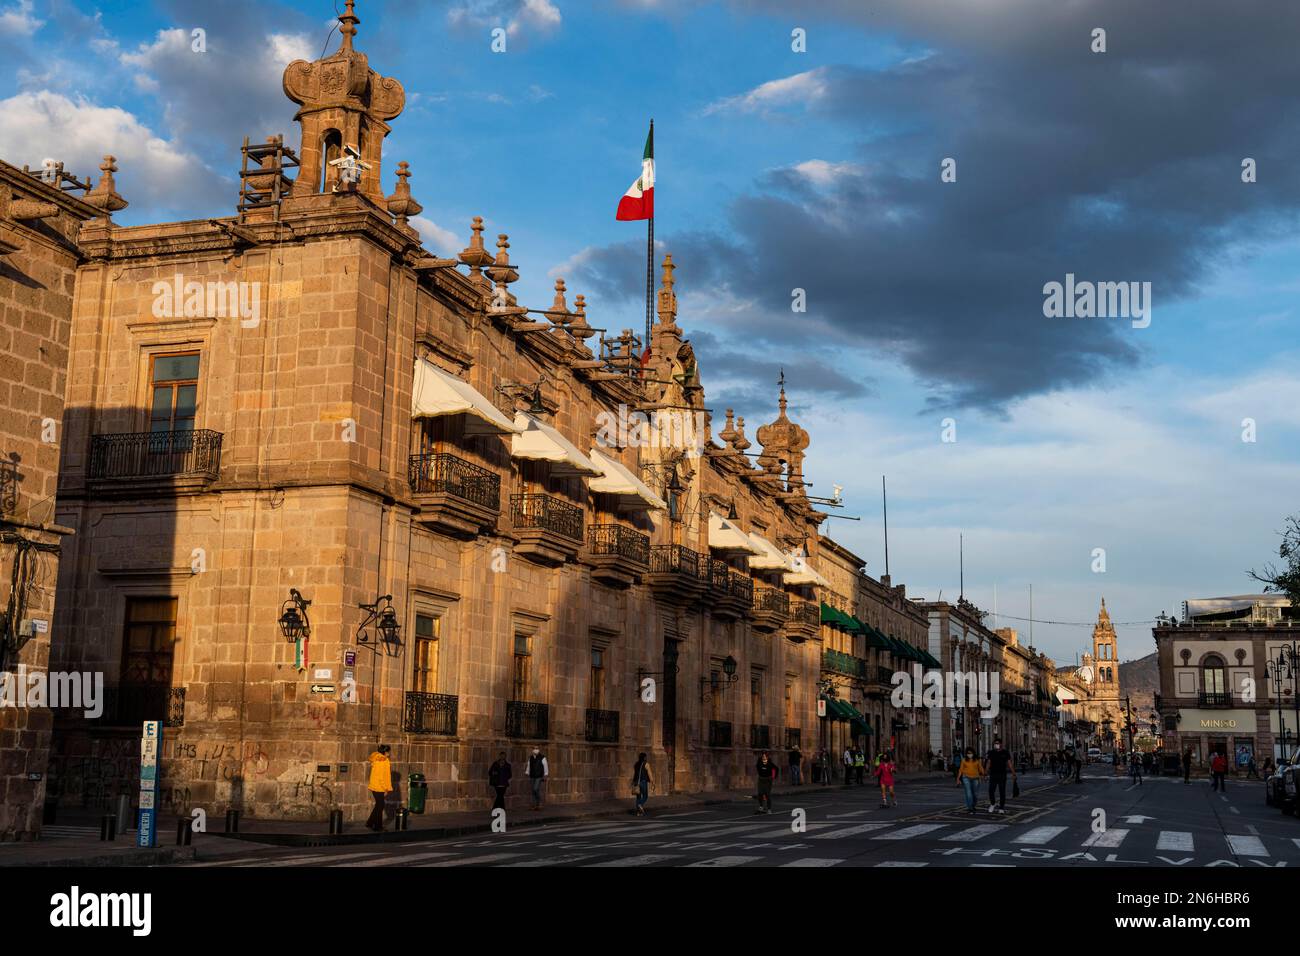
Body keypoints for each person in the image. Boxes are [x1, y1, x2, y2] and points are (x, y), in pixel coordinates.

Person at [983, 737, 1015, 813]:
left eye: (997, 743)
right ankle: (993, 803)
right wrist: (985, 773)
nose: (996, 745)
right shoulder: (991, 752)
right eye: (995, 744)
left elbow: (1009, 764)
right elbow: (988, 763)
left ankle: (1001, 807)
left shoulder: (1005, 752)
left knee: (1002, 791)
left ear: (1001, 744)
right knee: (991, 790)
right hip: (993, 774)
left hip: (1002, 775)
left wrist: (1013, 773)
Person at [366, 744, 393, 831]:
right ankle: (377, 826)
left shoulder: (377, 758)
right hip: (379, 787)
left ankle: (370, 822)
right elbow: (382, 776)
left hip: (375, 785)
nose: (389, 753)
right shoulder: (383, 760)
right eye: (388, 751)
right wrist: (385, 788)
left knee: (378, 805)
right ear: (385, 752)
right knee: (380, 805)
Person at [957, 748, 984, 814]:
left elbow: (981, 769)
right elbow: (960, 770)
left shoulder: (977, 760)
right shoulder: (964, 760)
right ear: (966, 754)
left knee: (975, 794)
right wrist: (958, 779)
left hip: (975, 778)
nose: (969, 754)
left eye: (971, 753)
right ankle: (970, 808)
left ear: (973, 754)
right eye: (968, 753)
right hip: (966, 778)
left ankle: (973, 805)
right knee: (968, 794)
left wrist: (983, 774)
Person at [631, 752, 653, 816]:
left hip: (636, 782)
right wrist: (652, 781)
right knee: (645, 796)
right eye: (646, 757)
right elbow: (649, 773)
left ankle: (638, 812)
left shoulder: (636, 764)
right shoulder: (646, 764)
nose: (646, 758)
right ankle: (640, 804)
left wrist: (633, 781)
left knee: (638, 797)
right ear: (644, 757)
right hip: (643, 782)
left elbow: (635, 774)